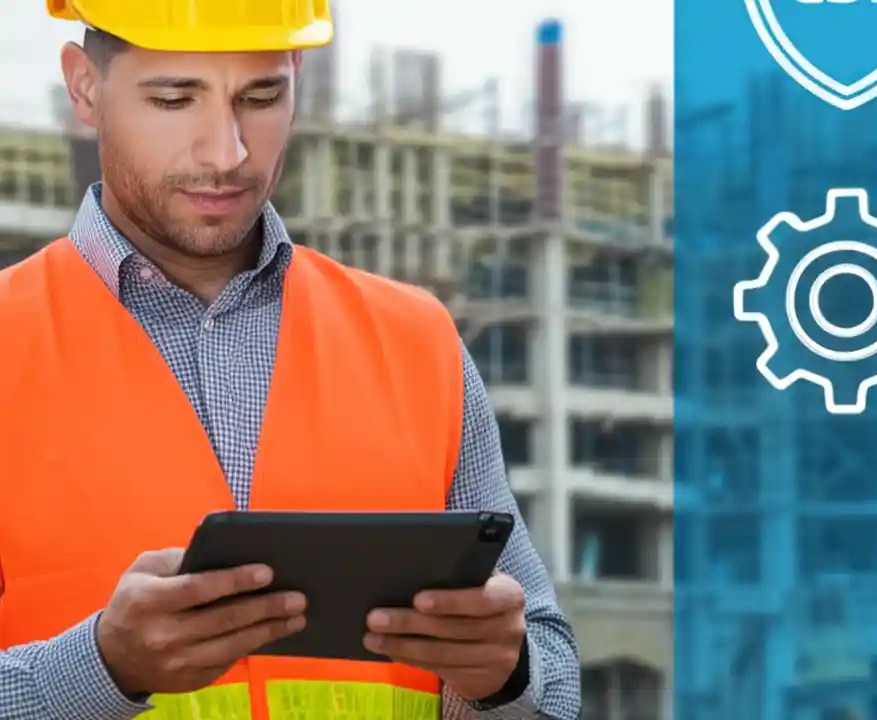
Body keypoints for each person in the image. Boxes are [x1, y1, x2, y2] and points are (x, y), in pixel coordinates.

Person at [0, 1, 580, 718]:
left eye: (262, 96)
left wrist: (504, 677)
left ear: (297, 75)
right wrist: (98, 668)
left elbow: (551, 676)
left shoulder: (416, 343)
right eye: (174, 98)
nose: (226, 153)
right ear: (84, 86)